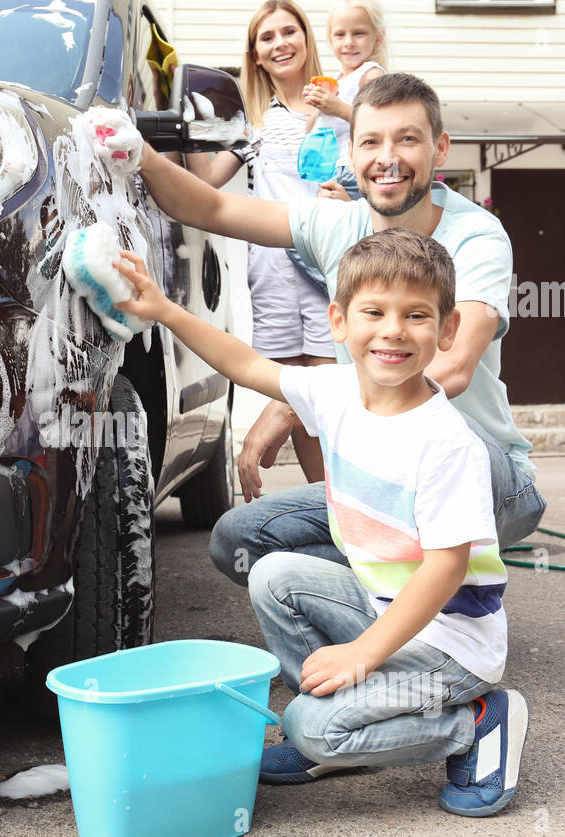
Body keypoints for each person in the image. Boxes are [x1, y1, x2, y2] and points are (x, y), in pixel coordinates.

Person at [110, 228, 529, 816]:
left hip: (452, 647)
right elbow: (246, 363)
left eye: (416, 315)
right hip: (383, 608)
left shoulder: (446, 443)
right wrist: (164, 309)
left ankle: (472, 724)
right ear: (339, 320)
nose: (392, 330)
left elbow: (446, 568)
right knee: (274, 573)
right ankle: (345, 709)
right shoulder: (334, 390)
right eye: (374, 312)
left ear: (448, 329)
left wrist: (362, 653)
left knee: (310, 727)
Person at [125, 71, 543, 581]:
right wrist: (138, 153)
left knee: (428, 444)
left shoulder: (476, 236)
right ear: (352, 152)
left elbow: (450, 372)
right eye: (370, 141)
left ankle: (432, 589)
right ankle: (397, 595)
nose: (387, 157)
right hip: (383, 477)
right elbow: (206, 205)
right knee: (240, 540)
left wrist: (299, 404)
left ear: (440, 148)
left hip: (489, 475)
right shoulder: (336, 225)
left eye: (407, 139)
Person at [184, 1, 337, 482]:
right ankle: (328, 511)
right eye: (267, 38)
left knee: (330, 392)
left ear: (307, 38)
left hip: (330, 266)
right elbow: (206, 183)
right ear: (255, 56)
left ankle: (362, 511)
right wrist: (186, 129)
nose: (280, 44)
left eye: (289, 32)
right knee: (289, 389)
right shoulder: (252, 120)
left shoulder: (338, 107)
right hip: (272, 273)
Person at [303, 0, 388, 199]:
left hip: (355, 170)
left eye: (358, 33)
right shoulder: (336, 79)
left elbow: (379, 123)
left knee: (356, 223)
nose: (349, 42)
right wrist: (318, 105)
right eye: (340, 34)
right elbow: (309, 130)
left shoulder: (371, 74)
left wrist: (337, 107)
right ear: (331, 40)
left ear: (378, 37)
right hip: (330, 169)